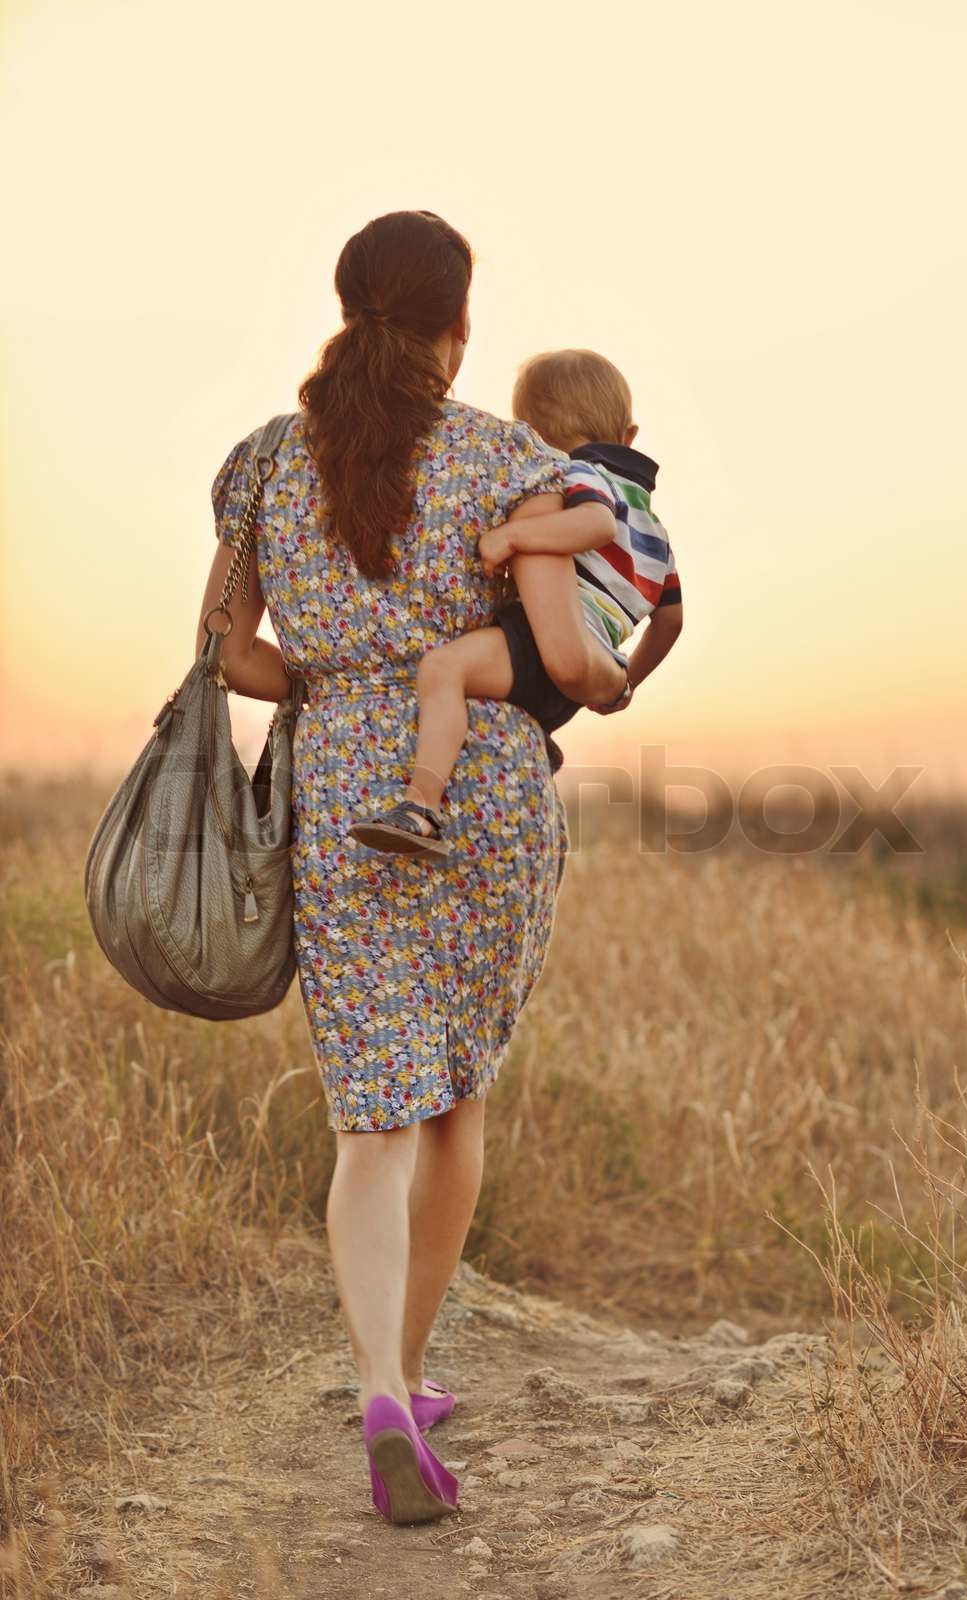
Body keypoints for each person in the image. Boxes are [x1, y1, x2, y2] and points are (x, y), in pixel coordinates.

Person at [197, 211, 626, 1526]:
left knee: (371, 1114)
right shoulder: (512, 464)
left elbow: (230, 655)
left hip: (339, 788)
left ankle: (384, 1383)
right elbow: (564, 663)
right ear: (457, 326)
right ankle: (416, 1367)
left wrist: (336, 681)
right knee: (457, 1098)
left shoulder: (269, 464)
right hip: (483, 791)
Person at [352, 348, 683, 857]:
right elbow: (670, 620)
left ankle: (421, 805)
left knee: (443, 669)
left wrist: (513, 536)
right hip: (586, 668)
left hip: (542, 640)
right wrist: (626, 681)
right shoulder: (658, 534)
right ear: (630, 435)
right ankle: (532, 745)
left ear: (529, 433)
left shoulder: (578, 473)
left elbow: (595, 524)